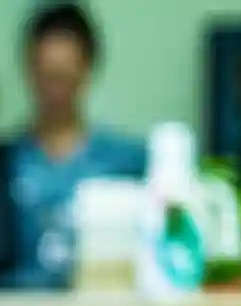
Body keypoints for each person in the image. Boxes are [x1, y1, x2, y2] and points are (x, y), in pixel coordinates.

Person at [11, 3, 146, 288]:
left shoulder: (126, 163)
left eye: (64, 78)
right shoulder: (4, 165)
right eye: (46, 78)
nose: (55, 92)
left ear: (88, 69)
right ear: (28, 69)